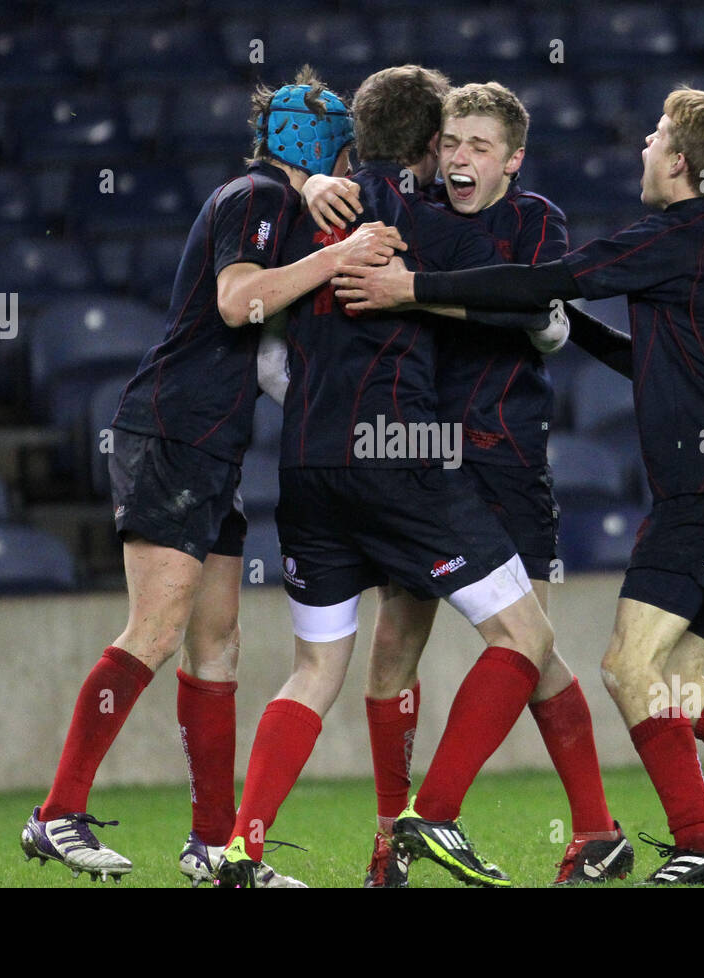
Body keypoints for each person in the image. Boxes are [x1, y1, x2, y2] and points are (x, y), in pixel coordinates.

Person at [334, 85, 704, 884]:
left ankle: (701, 844)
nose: (643, 149)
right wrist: (570, 326)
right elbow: (649, 357)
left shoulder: (673, 236)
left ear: (683, 165)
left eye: (655, 137)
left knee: (628, 667)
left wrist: (411, 290)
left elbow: (544, 278)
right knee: (677, 679)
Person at [18, 66, 405, 886]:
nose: (350, 156)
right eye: (341, 139)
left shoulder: (280, 209)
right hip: (172, 431)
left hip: (212, 445)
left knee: (218, 644)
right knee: (154, 633)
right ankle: (57, 813)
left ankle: (211, 844)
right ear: (313, 141)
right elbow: (239, 303)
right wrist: (340, 252)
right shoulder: (258, 197)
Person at [215, 65, 559, 889]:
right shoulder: (417, 216)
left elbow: (256, 322)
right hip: (399, 458)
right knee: (526, 638)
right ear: (430, 149)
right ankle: (430, 814)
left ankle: (240, 850)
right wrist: (418, 289)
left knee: (315, 670)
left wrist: (322, 187)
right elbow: (530, 305)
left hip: (304, 466)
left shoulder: (299, 213)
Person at [308, 81, 630, 888]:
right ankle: (395, 840)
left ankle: (589, 830)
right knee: (394, 648)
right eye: (451, 142)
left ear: (513, 160)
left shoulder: (535, 220)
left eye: (479, 147)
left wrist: (415, 294)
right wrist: (312, 181)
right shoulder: (407, 214)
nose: (459, 158)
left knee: (531, 650)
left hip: (509, 455)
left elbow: (522, 302)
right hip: (419, 457)